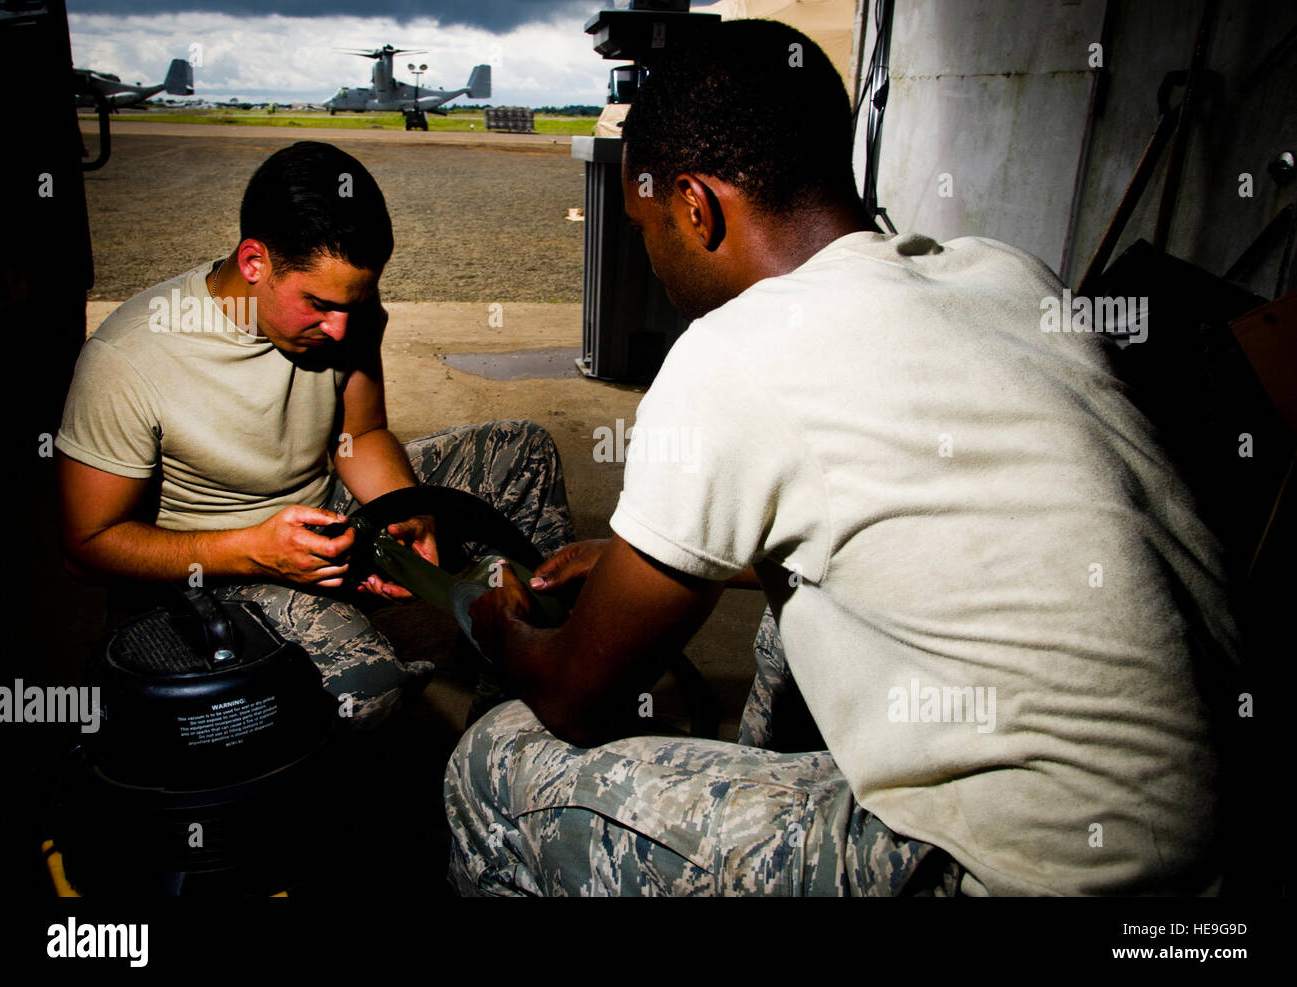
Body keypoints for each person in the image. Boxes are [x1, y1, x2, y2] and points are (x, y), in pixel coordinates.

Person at [445, 21, 1242, 896]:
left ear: (695, 206)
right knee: (792, 613)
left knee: (493, 764)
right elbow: (927, 520)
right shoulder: (1008, 278)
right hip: (1227, 842)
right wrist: (662, 559)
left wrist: (500, 629)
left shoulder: (733, 351)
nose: (653, 255)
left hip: (1031, 875)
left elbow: (579, 694)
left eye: (647, 228)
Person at [56, 140, 573, 726]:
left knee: (522, 453)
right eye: (319, 304)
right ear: (254, 262)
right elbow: (86, 547)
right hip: (215, 564)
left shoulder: (346, 309)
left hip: (324, 510)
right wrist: (253, 551)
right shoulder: (129, 357)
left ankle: (512, 713)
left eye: (356, 302)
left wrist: (408, 511)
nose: (341, 327)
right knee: (366, 687)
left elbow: (362, 432)